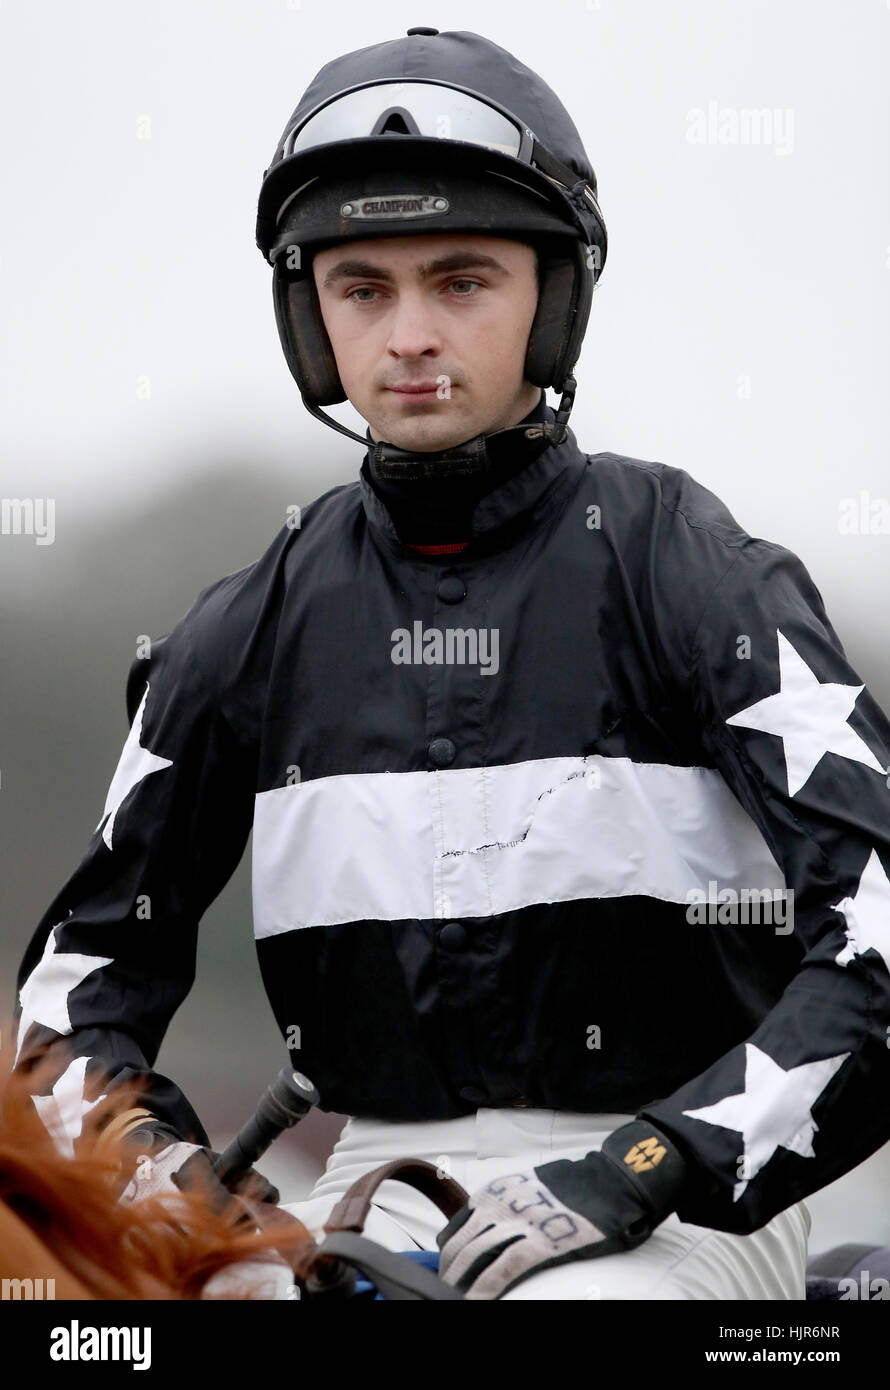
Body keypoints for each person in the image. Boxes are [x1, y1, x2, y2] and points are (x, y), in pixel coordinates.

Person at [12, 27, 890, 1301]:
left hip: (677, 1202)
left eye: (461, 281)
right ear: (311, 321)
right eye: (362, 289)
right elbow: (69, 1001)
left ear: (553, 300)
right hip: (358, 1183)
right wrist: (166, 1181)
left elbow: (875, 940)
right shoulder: (245, 624)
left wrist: (643, 1164)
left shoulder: (690, 569)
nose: (408, 335)